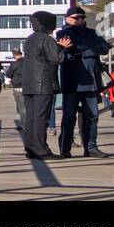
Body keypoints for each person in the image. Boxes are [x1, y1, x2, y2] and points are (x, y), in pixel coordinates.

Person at [55, 6, 111, 158]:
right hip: (72, 81)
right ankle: (65, 148)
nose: (80, 20)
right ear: (67, 19)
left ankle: (91, 147)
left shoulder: (91, 32)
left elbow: (104, 48)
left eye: (82, 17)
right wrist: (91, 48)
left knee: (92, 116)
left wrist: (85, 49)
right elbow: (72, 50)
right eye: (76, 17)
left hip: (91, 80)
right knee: (69, 116)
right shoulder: (62, 33)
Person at [19, 10, 70, 161]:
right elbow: (57, 59)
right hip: (43, 83)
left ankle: (30, 148)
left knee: (31, 117)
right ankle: (41, 150)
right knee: (42, 117)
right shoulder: (46, 39)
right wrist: (62, 47)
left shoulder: (30, 39)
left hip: (29, 83)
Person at [3, 49, 26, 130]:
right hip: (29, 87)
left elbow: (8, 74)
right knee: (27, 106)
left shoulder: (15, 64)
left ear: (13, 55)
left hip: (18, 87)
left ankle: (24, 125)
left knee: (21, 107)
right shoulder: (28, 62)